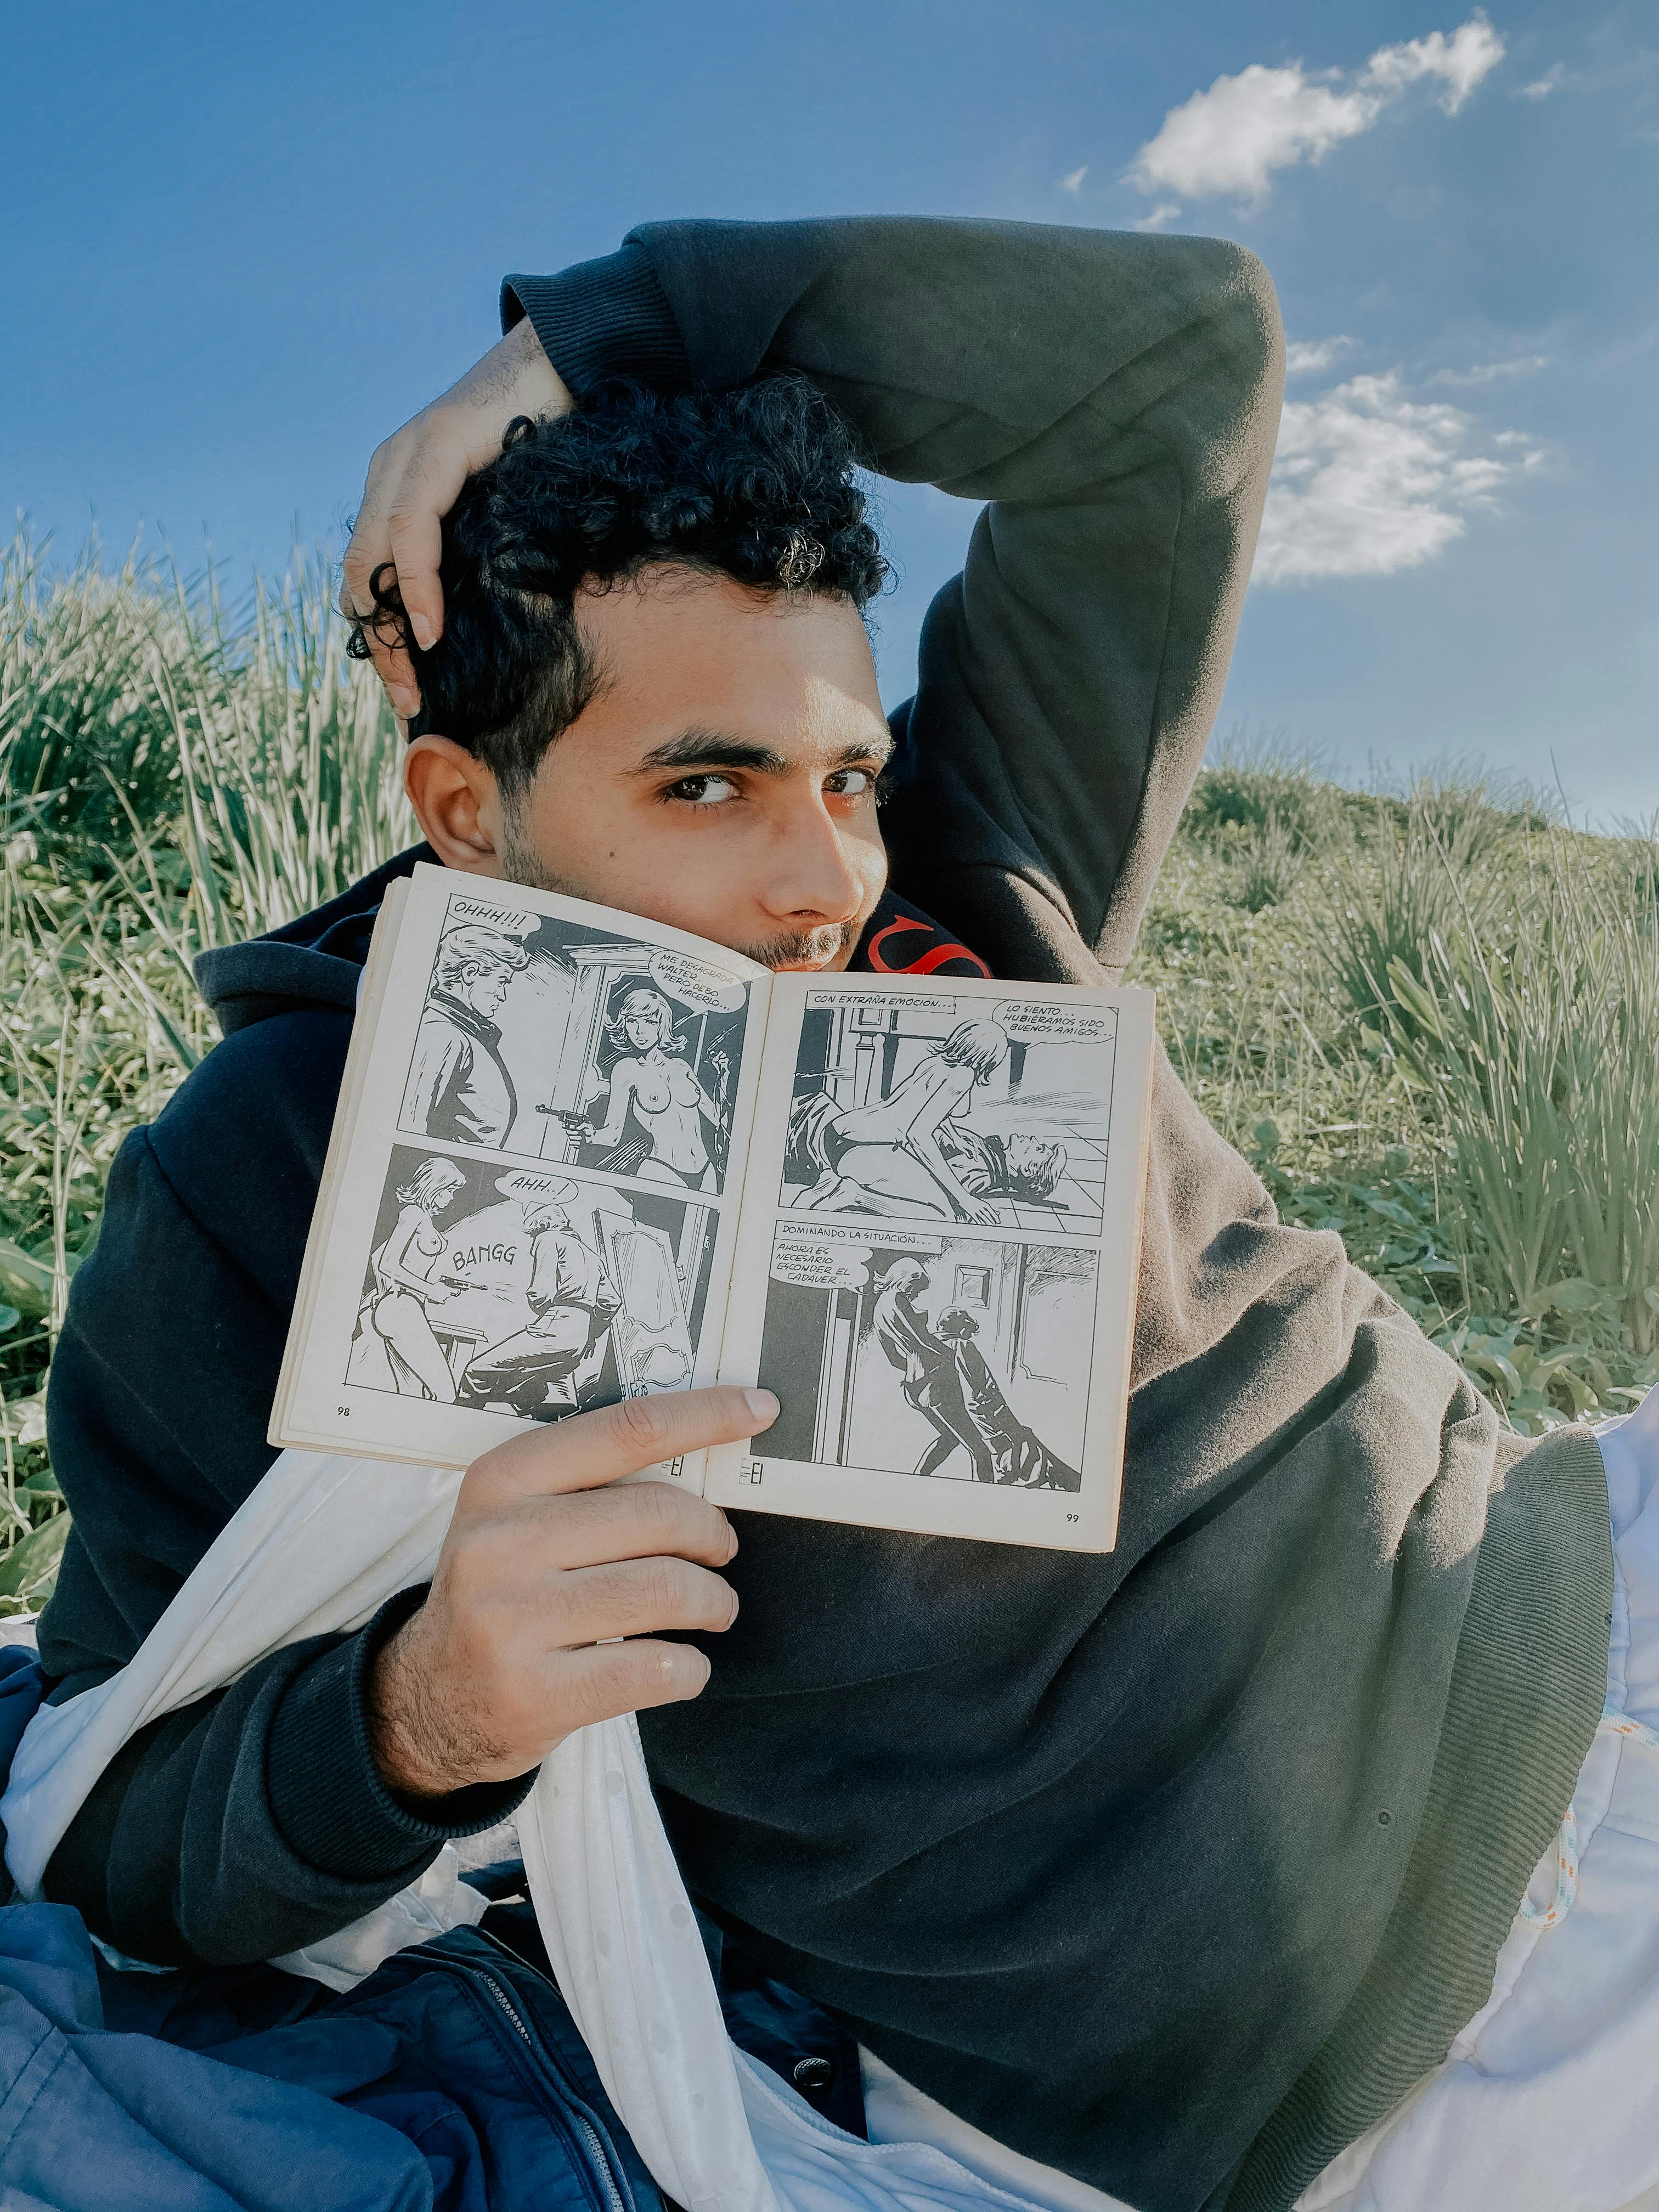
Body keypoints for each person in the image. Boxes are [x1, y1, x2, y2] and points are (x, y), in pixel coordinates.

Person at [33, 216, 1626, 2212]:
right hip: (1336, 2030)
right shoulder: (262, 1161)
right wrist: (425, 1705)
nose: (819, 876)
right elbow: (108, 1809)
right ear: (461, 809)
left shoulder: (958, 855)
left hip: (1559, 1587)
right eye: (705, 787)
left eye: (842, 772)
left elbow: (1179, 360)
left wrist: (566, 350)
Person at [789, 1020, 1011, 1221]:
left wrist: (954, 1137)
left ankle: (840, 1184)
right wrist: (965, 1198)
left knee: (936, 1193)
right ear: (990, 1058)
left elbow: (930, 1109)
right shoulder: (963, 1077)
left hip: (837, 1134)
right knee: (946, 1213)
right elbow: (918, 1136)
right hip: (858, 1149)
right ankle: (848, 1193)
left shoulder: (935, 1063)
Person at [458, 1193, 622, 1417]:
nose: (535, 1239)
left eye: (535, 1232)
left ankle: (459, 1420)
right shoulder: (593, 1257)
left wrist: (543, 1311)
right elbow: (611, 1301)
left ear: (543, 1226)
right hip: (579, 1336)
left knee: (476, 1371)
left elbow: (540, 1292)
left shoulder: (549, 1238)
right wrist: (592, 1334)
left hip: (556, 1325)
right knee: (554, 1390)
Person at [573, 980, 729, 1188]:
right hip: (660, 1170)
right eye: (632, 1021)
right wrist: (590, 1135)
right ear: (624, 1024)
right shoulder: (626, 1069)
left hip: (705, 1170)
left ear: (662, 1025)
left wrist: (723, 1077)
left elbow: (717, 1118)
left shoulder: (682, 1067)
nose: (640, 1031)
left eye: (649, 1022)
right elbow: (612, 1135)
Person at [347, 1155, 471, 1400]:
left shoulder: (421, 1219)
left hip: (398, 1307)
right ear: (433, 1186)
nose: (452, 1198)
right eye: (449, 1190)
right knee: (446, 1393)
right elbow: (388, 1263)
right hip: (402, 1309)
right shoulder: (413, 1213)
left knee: (412, 1394)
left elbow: (378, 1258)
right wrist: (429, 1290)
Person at [400, 923, 529, 1147]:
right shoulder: (443, 1034)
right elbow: (410, 1128)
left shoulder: (461, 1033)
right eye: (502, 982)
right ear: (471, 973)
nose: (503, 996)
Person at [870, 1261, 994, 1483]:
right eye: (917, 1288)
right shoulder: (897, 1298)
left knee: (950, 1438)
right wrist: (948, 1357)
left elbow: (894, 1359)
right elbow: (921, 1339)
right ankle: (989, 1497)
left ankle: (917, 1481)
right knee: (980, 1450)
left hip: (913, 1389)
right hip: (937, 1384)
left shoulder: (878, 1310)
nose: (916, 1295)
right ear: (908, 1278)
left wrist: (915, 1369)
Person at [934, 1306, 1080, 1492]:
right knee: (1016, 1443)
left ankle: (1048, 1475)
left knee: (1003, 1448)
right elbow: (978, 1381)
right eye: (969, 1331)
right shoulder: (963, 1345)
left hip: (961, 1409)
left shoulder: (934, 1344)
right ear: (962, 1327)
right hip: (984, 1408)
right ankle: (1052, 1477)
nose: (970, 1336)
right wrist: (992, 1404)